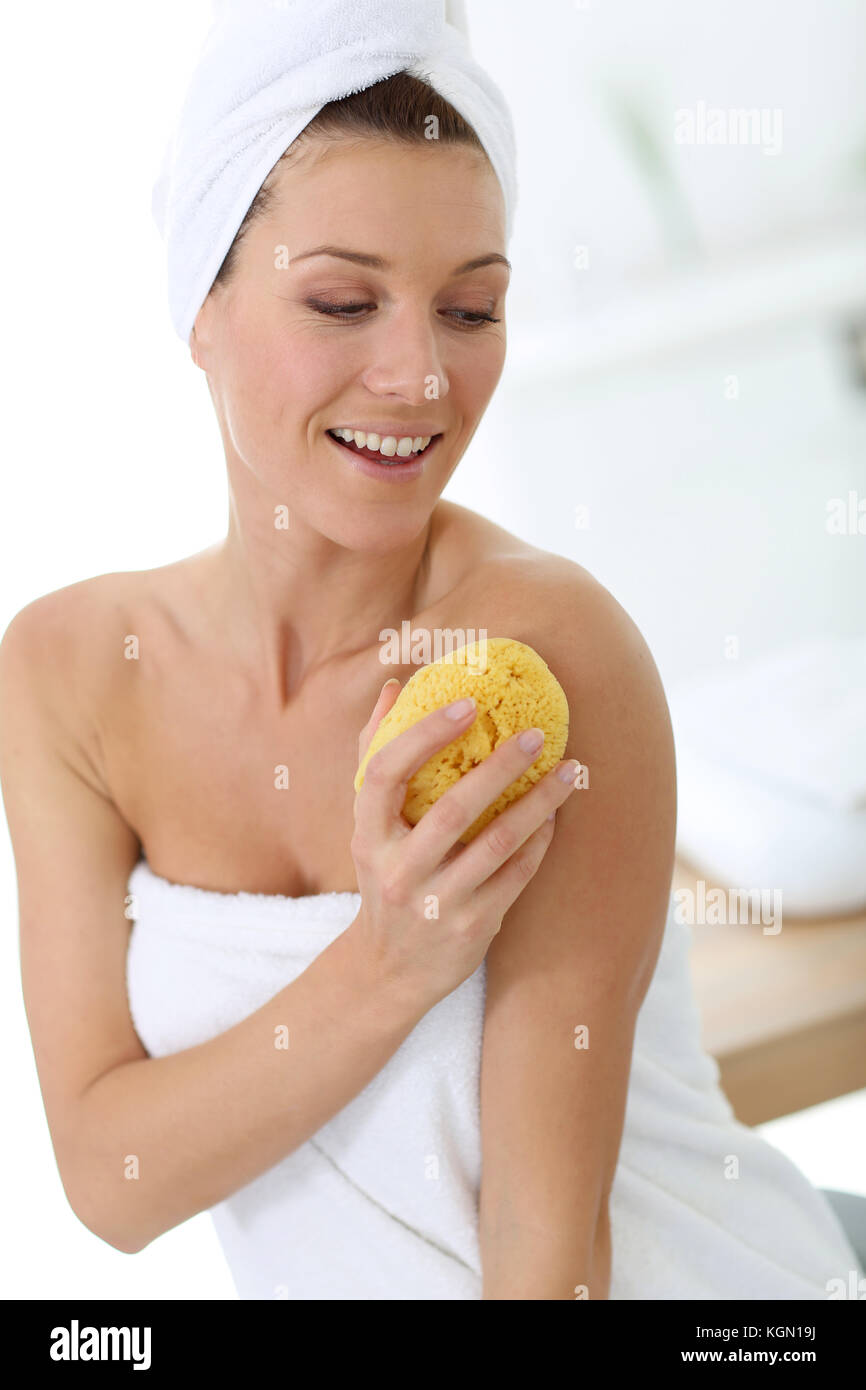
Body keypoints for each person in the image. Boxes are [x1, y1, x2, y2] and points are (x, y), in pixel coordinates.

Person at [0, 18, 861, 1302]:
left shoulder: (549, 653)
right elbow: (113, 1183)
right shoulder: (69, 674)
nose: (418, 375)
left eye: (471, 308)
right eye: (342, 303)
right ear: (202, 311)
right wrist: (388, 963)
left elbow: (546, 1258)